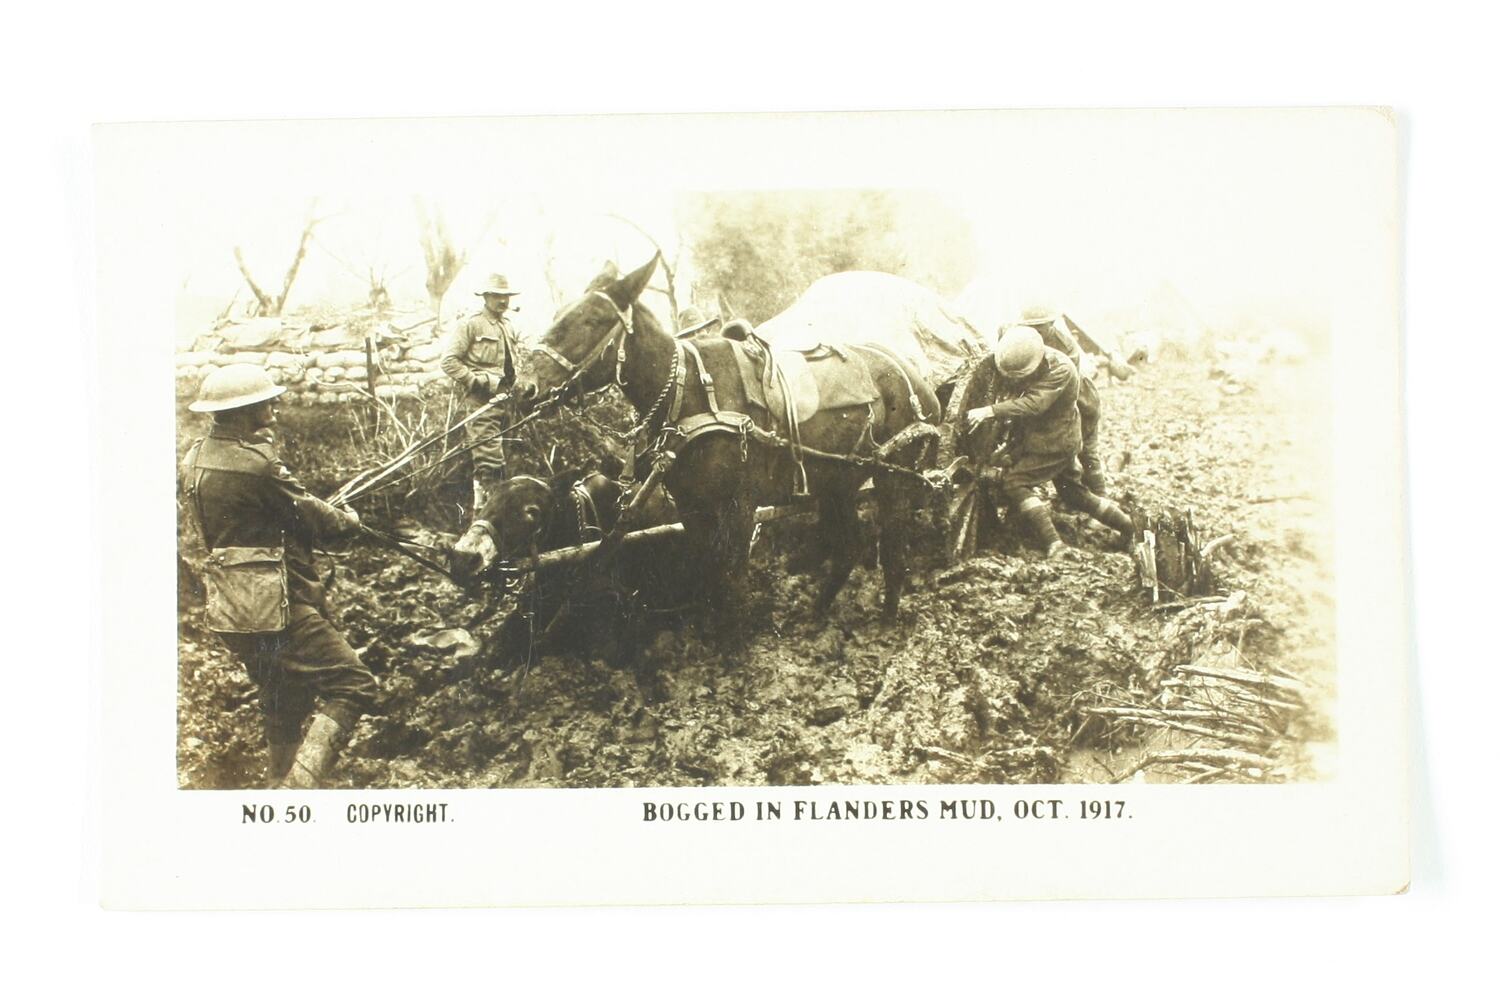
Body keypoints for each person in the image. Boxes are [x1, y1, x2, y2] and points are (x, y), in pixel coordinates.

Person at [181, 364, 378, 788]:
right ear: (242, 412)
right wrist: (348, 521)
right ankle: (299, 786)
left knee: (282, 695)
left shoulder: (194, 457)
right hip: (278, 603)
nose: (273, 406)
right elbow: (311, 516)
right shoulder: (257, 466)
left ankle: (277, 782)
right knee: (354, 683)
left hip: (233, 609)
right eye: (263, 402)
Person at [965, 326, 1135, 557]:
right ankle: (1129, 527)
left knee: (1015, 482)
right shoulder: (1027, 354)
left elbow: (1035, 404)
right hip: (1041, 439)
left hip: (1055, 443)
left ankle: (1054, 544)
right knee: (1073, 494)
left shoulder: (1061, 369)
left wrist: (990, 411)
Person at [440, 272, 534, 515]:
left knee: (505, 463)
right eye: (497, 296)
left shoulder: (508, 326)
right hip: (482, 404)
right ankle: (483, 522)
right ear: (486, 296)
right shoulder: (470, 324)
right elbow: (449, 361)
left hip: (508, 404)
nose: (503, 301)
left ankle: (492, 517)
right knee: (490, 464)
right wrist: (475, 381)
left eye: (506, 296)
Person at [1003, 307, 1108, 494]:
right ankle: (1070, 493)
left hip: (1077, 402)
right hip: (1046, 399)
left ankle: (1100, 495)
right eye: (1030, 326)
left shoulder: (1066, 348)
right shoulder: (1020, 337)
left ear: (1051, 324)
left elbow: (1057, 389)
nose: (1034, 331)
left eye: (1039, 327)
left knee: (1086, 452)